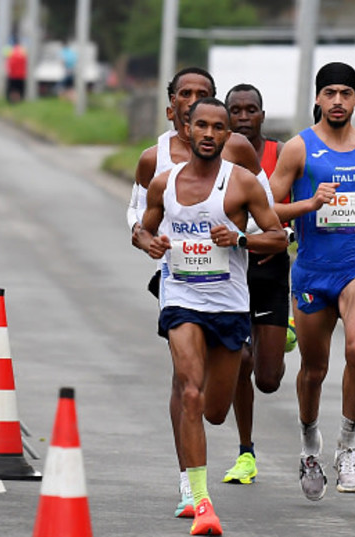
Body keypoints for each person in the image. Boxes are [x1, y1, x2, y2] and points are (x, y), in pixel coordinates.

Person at [135, 97, 288, 535]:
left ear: (227, 136)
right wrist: (148, 243)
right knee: (190, 392)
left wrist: (240, 239)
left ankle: (200, 473)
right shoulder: (163, 183)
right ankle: (201, 503)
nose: (207, 133)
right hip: (181, 296)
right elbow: (143, 229)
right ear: (186, 129)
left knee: (216, 410)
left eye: (217, 127)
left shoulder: (242, 184)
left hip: (227, 304)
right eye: (199, 125)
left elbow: (277, 237)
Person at [268, 62, 355, 500]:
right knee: (313, 369)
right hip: (311, 271)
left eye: (346, 93)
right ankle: (310, 446)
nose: (338, 101)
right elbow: (264, 208)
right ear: (318, 99)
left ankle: (347, 448)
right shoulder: (298, 149)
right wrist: (308, 204)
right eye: (330, 93)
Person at [220, 83, 290, 486]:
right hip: (232, 272)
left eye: (251, 110)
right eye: (236, 110)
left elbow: (282, 211)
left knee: (267, 380)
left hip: (269, 267)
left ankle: (286, 331)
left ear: (263, 115)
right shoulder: (217, 155)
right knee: (241, 362)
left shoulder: (278, 155)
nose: (243, 117)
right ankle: (246, 451)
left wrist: (283, 234)